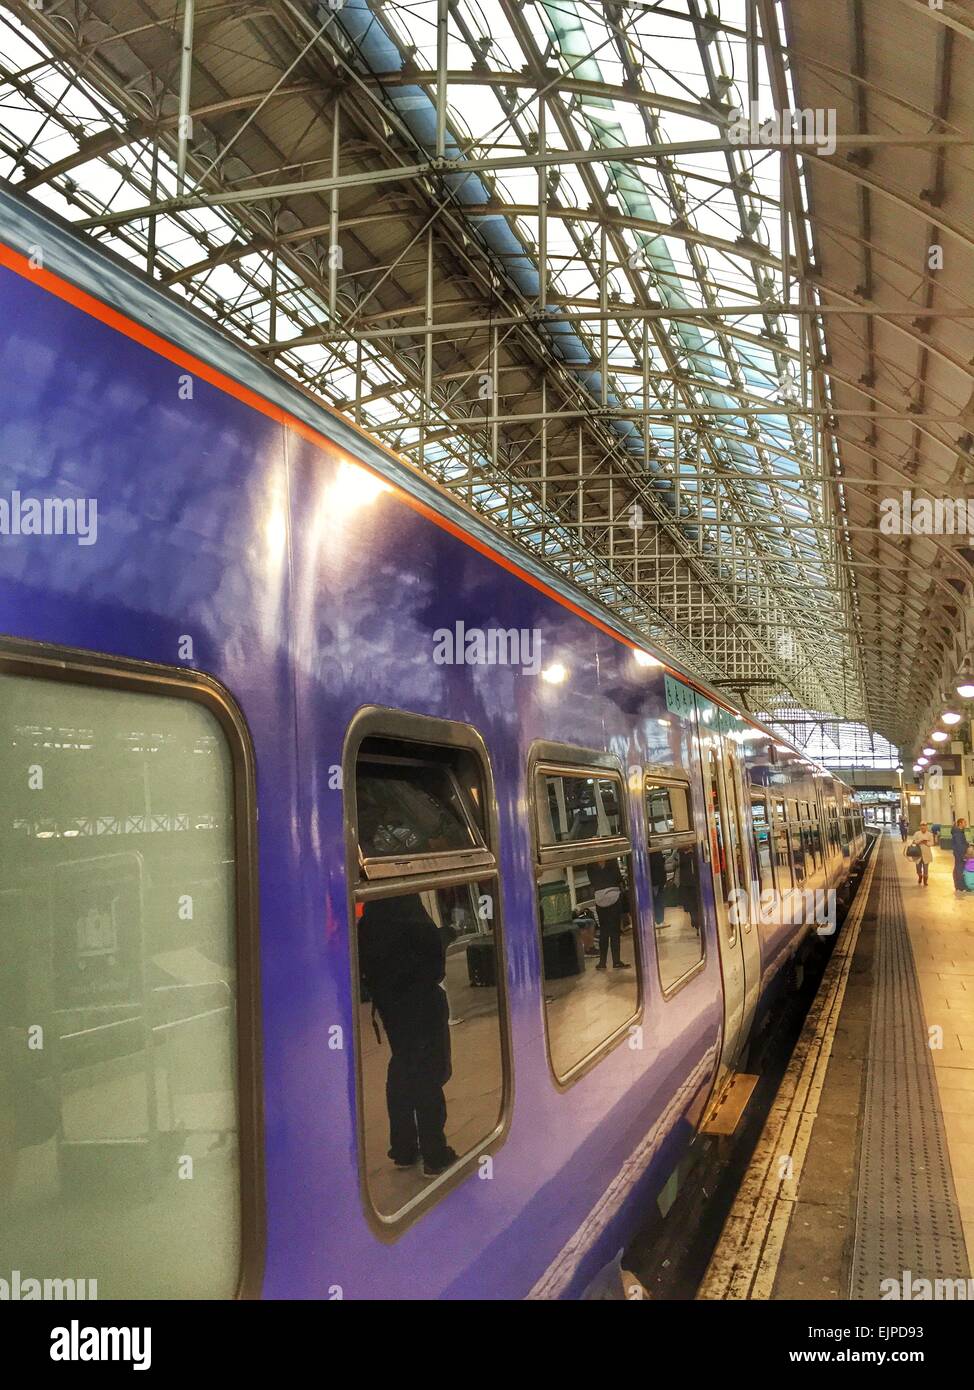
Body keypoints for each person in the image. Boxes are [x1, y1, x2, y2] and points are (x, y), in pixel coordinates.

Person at [359, 893, 458, 1178]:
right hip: (422, 1004)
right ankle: (435, 1154)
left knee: (402, 1069)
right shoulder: (410, 912)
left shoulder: (369, 919)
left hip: (390, 1008)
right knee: (429, 1074)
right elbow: (432, 964)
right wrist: (445, 935)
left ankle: (403, 1148)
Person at [587, 857, 631, 970]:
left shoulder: (590, 864)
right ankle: (616, 961)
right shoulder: (611, 860)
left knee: (604, 931)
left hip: (600, 898)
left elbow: (592, 881)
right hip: (614, 897)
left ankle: (602, 963)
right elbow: (618, 878)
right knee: (615, 931)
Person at [905, 822, 934, 887]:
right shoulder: (917, 833)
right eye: (921, 826)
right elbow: (914, 841)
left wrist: (926, 843)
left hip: (926, 854)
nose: (923, 827)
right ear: (920, 827)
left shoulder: (930, 834)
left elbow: (932, 843)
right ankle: (920, 876)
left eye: (924, 826)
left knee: (926, 869)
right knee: (918, 868)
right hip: (917, 854)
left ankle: (925, 881)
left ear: (926, 827)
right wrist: (920, 841)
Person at [951, 818, 969, 894]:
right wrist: (963, 855)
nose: (966, 824)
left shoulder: (959, 832)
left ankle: (958, 886)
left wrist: (967, 844)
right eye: (964, 822)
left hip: (958, 853)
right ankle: (960, 887)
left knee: (957, 869)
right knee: (959, 870)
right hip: (959, 854)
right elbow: (959, 845)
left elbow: (962, 843)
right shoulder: (958, 833)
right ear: (960, 823)